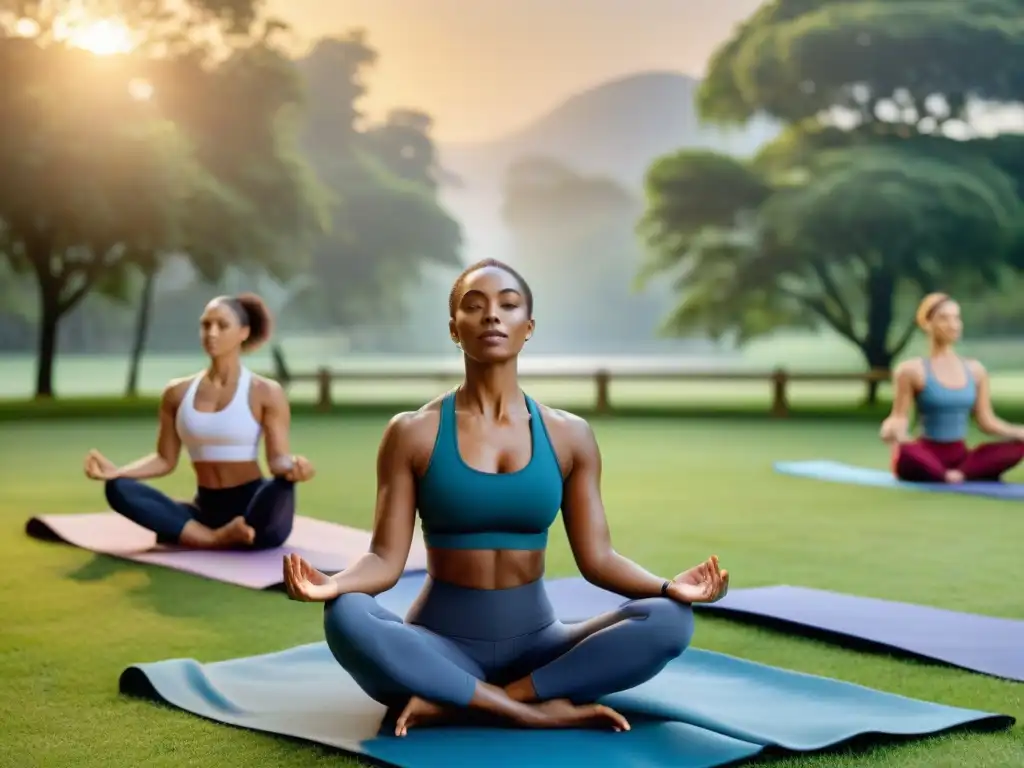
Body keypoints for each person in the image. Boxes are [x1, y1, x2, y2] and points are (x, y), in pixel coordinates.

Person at [282, 259, 730, 736]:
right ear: (454, 329)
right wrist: (333, 585)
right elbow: (384, 560)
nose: (492, 315)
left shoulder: (570, 435)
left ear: (528, 327)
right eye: (474, 306)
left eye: (508, 305)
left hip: (540, 648)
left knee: (670, 620)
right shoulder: (412, 432)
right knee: (347, 613)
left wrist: (668, 588)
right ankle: (529, 709)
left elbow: (599, 558)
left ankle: (466, 700)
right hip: (438, 646)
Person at [83, 293, 315, 549]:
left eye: (222, 325)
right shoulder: (177, 392)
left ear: (244, 332)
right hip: (205, 508)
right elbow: (164, 459)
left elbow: (277, 460)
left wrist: (295, 466)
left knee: (280, 487)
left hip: (254, 506)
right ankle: (213, 537)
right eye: (206, 324)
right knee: (118, 487)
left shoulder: (266, 392)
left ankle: (199, 533)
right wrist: (118, 472)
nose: (211, 333)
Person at [880, 292, 1024, 483]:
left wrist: (1018, 431)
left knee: (1018, 447)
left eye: (957, 318)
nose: (953, 324)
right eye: (944, 318)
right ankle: (949, 473)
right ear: (927, 324)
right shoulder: (911, 370)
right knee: (905, 449)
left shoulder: (976, 370)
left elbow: (987, 421)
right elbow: (900, 417)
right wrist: (893, 429)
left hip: (960, 457)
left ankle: (955, 474)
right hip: (926, 454)